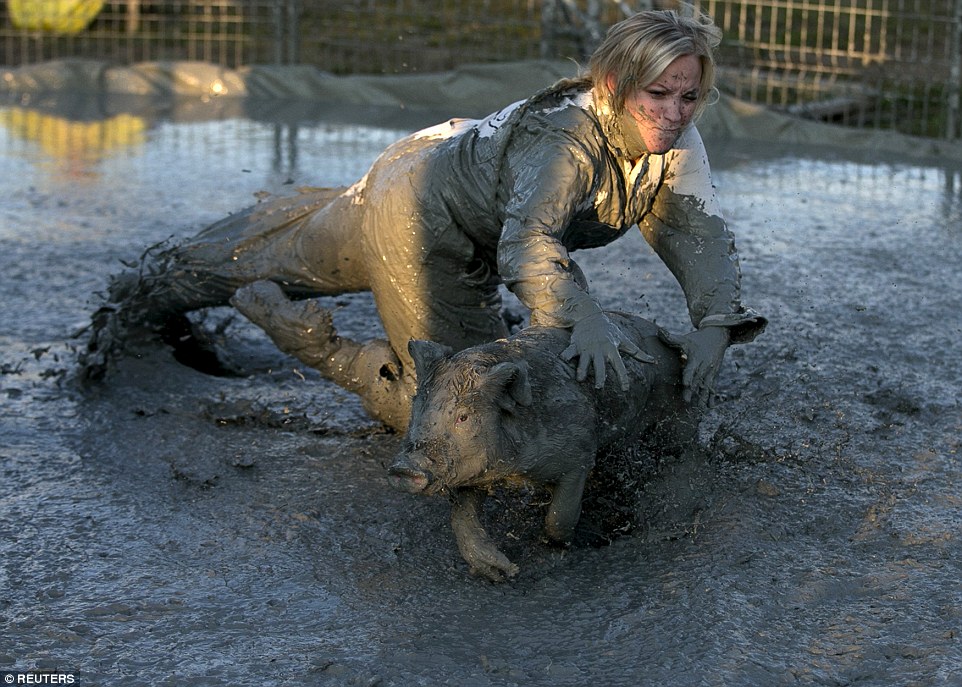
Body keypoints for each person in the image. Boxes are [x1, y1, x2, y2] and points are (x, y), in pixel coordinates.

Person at [83, 6, 765, 431]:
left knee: (496, 377)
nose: (676, 112)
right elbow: (529, 242)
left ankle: (176, 281)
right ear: (614, 87)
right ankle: (306, 339)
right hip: (418, 215)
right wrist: (579, 316)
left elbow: (694, 228)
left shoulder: (676, 138)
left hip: (452, 176)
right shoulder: (564, 140)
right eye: (659, 94)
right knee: (448, 410)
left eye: (689, 95)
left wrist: (716, 322)